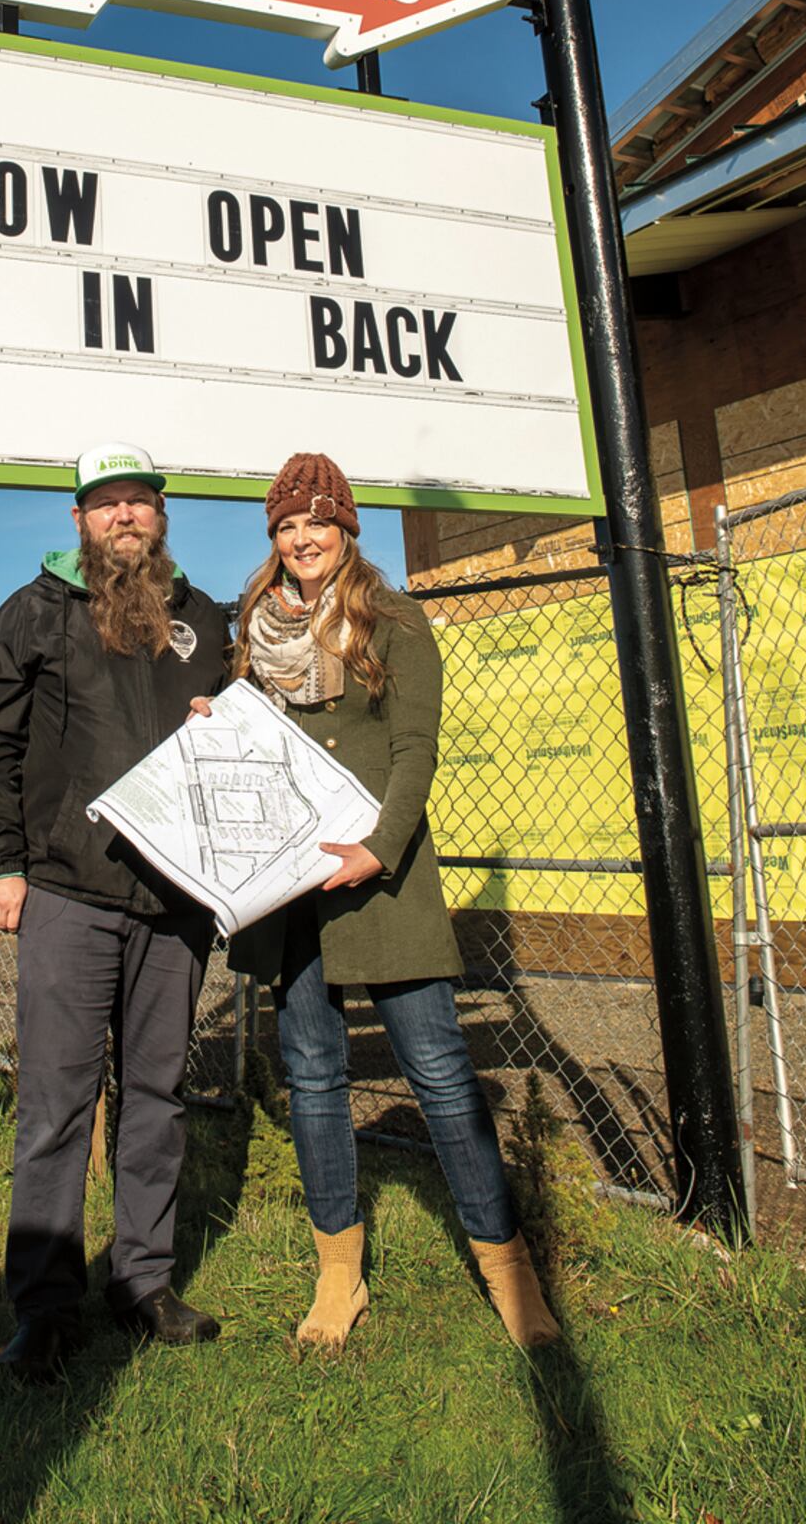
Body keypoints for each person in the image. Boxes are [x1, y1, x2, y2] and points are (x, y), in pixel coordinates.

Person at [225, 451, 560, 1350]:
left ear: (346, 529)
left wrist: (377, 848)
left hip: (383, 880)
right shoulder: (257, 633)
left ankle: (509, 1272)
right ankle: (339, 1276)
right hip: (292, 892)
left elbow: (415, 749)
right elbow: (250, 745)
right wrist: (209, 721)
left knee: (442, 1076)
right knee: (315, 1076)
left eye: (316, 523)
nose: (301, 539)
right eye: (287, 527)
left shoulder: (395, 619)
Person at [0, 442, 228, 1381]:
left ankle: (142, 1280)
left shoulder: (203, 616)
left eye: (140, 502)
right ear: (77, 518)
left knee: (156, 1097)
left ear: (161, 516)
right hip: (68, 894)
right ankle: (43, 1307)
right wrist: (0, 865)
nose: (125, 517)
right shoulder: (35, 611)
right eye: (106, 503)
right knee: (55, 1106)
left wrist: (222, 723)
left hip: (176, 903)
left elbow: (243, 743)